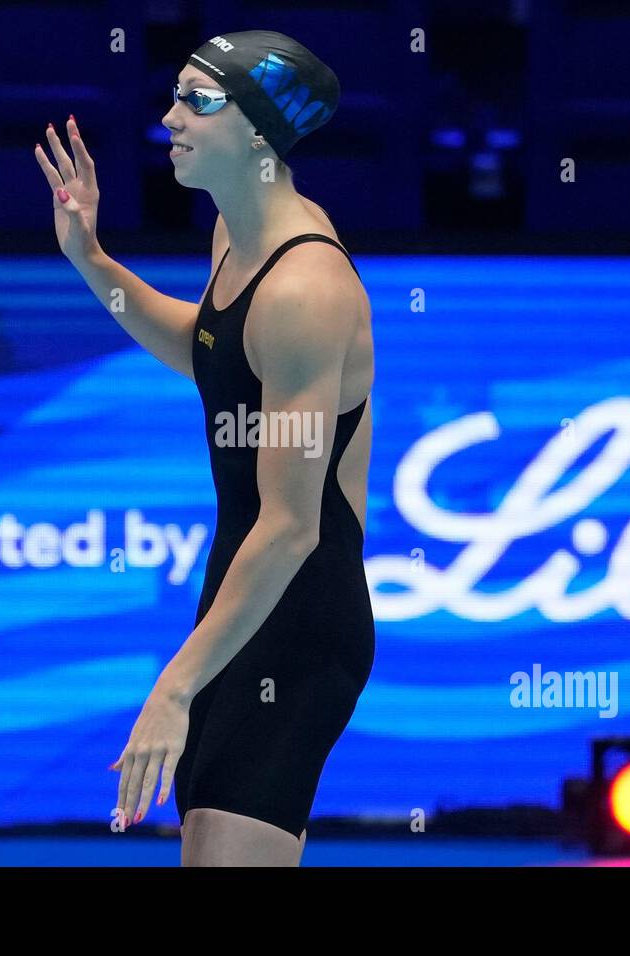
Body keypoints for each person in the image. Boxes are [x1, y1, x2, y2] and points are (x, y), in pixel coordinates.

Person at [35, 30, 374, 866]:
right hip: (242, 596)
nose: (168, 117)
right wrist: (92, 258)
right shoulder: (237, 236)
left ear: (258, 129)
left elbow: (293, 526)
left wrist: (175, 683)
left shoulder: (305, 287)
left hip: (298, 611)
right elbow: (211, 349)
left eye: (197, 99)